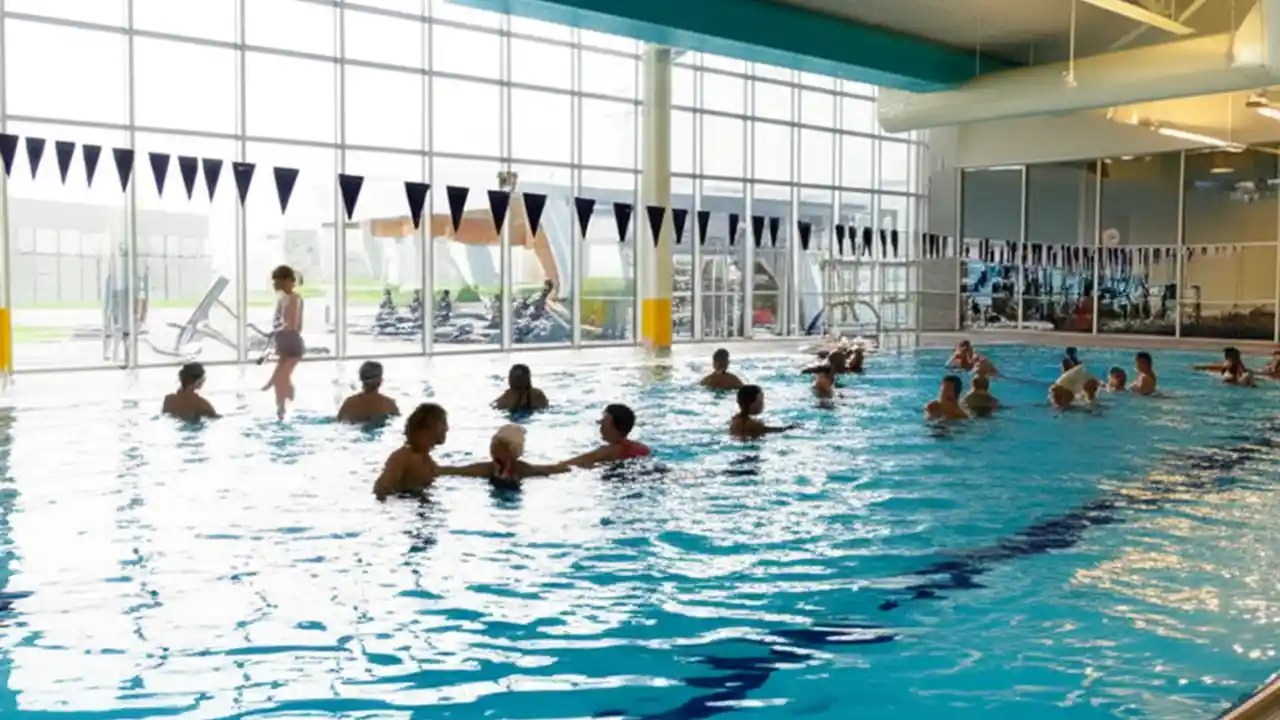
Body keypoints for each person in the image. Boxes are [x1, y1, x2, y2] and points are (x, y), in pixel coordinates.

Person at [438, 424, 568, 488]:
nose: (494, 449)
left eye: (498, 445)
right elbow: (551, 470)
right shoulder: (522, 468)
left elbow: (457, 471)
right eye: (494, 444)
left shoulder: (487, 469)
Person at [373, 403, 448, 500]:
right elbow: (380, 488)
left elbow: (445, 471)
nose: (446, 429)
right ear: (430, 425)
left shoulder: (425, 459)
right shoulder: (404, 456)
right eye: (443, 423)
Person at [262, 265, 305, 419]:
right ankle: (280, 410)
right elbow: (281, 323)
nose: (275, 284)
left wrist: (278, 332)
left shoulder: (294, 299)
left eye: (278, 281)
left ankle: (288, 392)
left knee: (280, 378)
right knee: (280, 380)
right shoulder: (284, 299)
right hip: (283, 342)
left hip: (292, 343)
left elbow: (293, 325)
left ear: (288, 281)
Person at [564, 404, 650, 468]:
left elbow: (569, 464)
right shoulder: (642, 447)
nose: (600, 423)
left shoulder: (608, 451)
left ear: (613, 426)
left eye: (603, 422)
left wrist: (552, 469)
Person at [730, 385, 797, 439]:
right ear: (750, 403)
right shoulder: (754, 424)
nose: (762, 404)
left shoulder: (735, 419)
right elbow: (774, 430)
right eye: (760, 402)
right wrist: (789, 428)